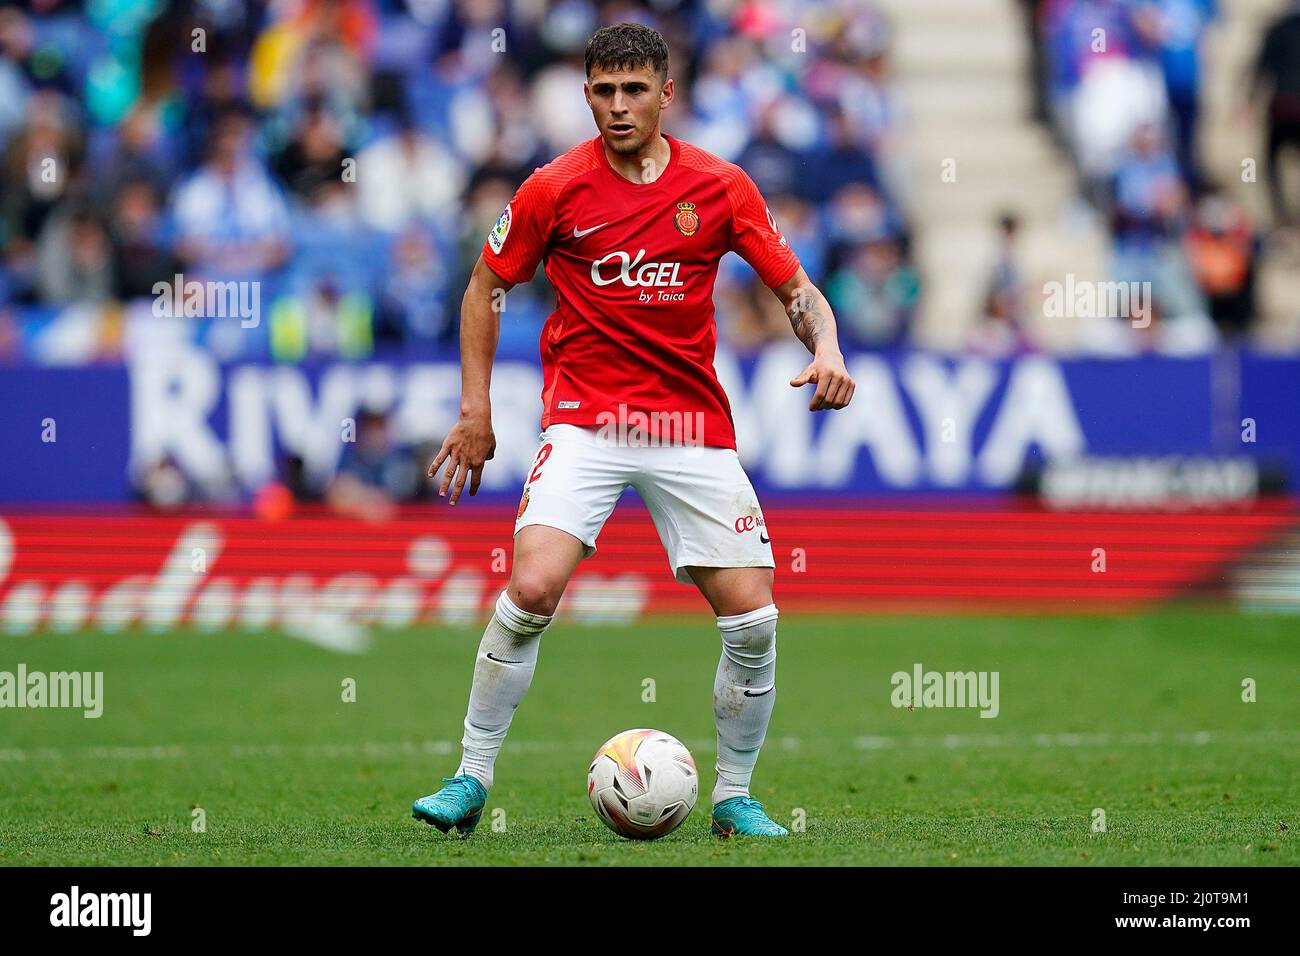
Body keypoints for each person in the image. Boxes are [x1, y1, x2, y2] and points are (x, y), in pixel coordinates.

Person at [412, 23, 855, 839]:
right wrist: (475, 411)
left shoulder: (719, 187)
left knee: (753, 619)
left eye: (634, 91)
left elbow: (797, 289)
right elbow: (484, 288)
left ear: (665, 94)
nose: (618, 107)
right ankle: (470, 779)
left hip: (689, 425)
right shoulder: (554, 187)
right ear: (586, 95)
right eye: (604, 92)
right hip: (587, 419)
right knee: (533, 587)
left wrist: (825, 344)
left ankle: (733, 798)